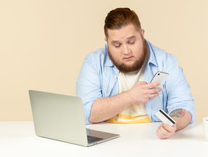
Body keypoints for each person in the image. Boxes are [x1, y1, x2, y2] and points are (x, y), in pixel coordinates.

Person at [76, 8, 195, 139]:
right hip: (107, 141)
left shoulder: (166, 62)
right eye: (116, 45)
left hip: (154, 140)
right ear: (107, 42)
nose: (126, 51)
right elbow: (86, 112)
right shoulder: (93, 63)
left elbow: (184, 107)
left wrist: (172, 124)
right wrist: (130, 97)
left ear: (142, 34)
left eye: (131, 42)